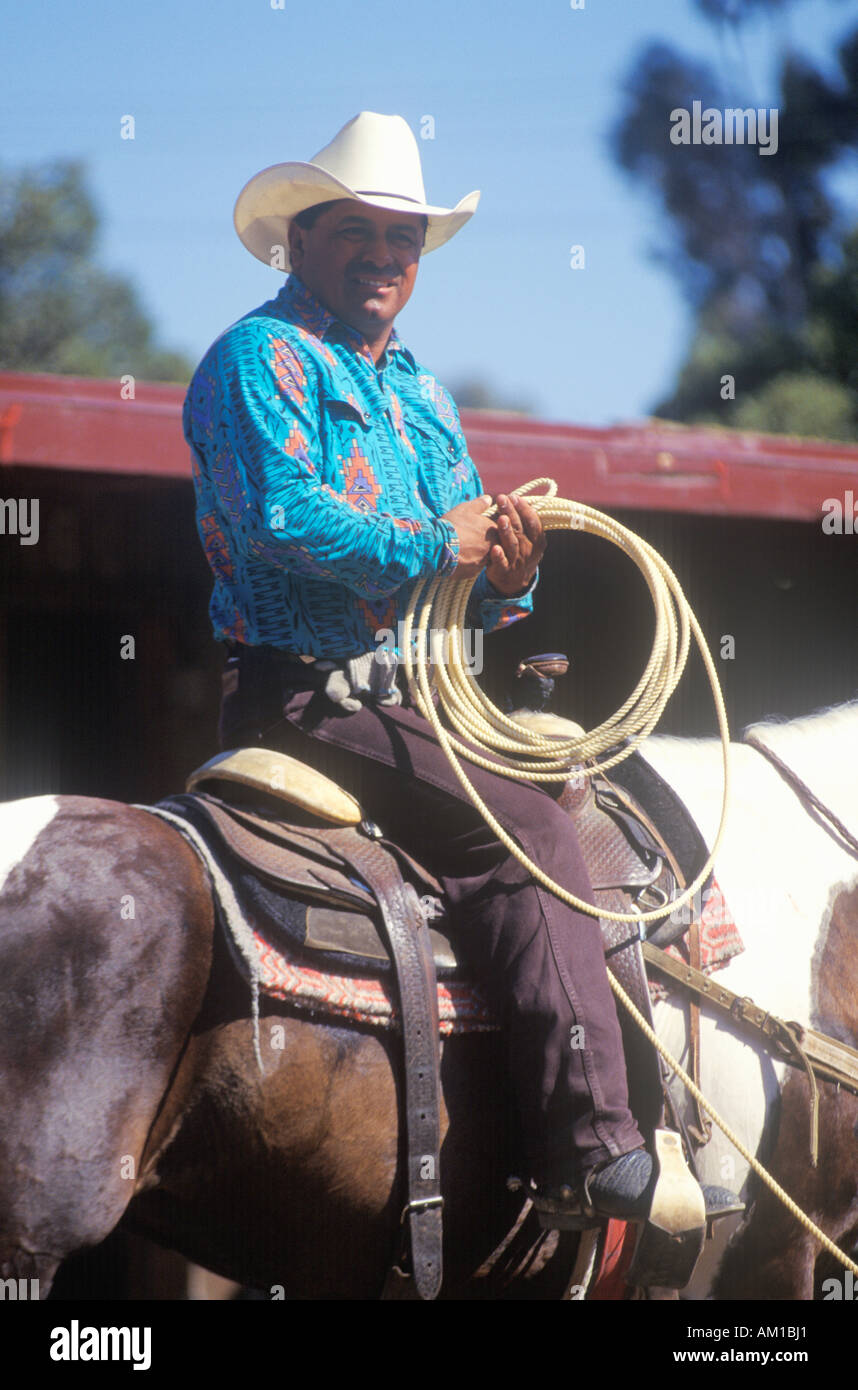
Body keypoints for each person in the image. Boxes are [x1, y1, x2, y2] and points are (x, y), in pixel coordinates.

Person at [182, 111, 731, 1230]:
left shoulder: (425, 397)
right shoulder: (254, 359)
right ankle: (591, 1144)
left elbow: (476, 563)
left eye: (404, 239)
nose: (384, 256)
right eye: (358, 232)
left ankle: (680, 1108)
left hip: (421, 693)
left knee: (596, 806)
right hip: (305, 693)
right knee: (528, 837)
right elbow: (286, 518)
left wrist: (507, 570)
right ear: (300, 241)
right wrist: (448, 545)